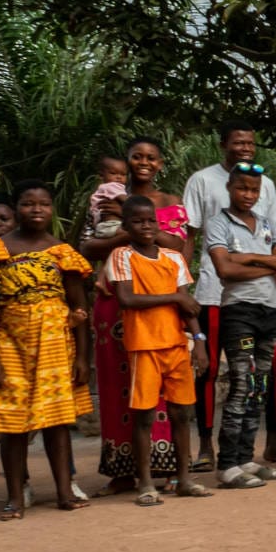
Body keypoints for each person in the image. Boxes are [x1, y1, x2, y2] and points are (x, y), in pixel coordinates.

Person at [81, 137, 191, 493]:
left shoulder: (173, 202)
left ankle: (173, 468)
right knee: (120, 389)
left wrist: (133, 217)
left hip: (163, 304)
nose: (144, 162)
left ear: (161, 163)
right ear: (126, 162)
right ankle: (124, 470)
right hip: (116, 303)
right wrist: (130, 230)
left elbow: (179, 249)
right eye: (136, 157)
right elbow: (87, 247)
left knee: (168, 395)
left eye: (151, 158)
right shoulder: (103, 199)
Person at [183, 119, 276, 470]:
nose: (245, 147)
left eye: (251, 143)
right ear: (223, 144)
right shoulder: (203, 182)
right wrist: (182, 282)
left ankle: (255, 452)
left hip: (265, 302)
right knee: (219, 372)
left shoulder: (267, 188)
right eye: (238, 142)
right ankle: (213, 451)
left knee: (263, 375)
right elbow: (201, 245)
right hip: (222, 299)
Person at [0, 181, 94, 517]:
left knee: (57, 422)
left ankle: (64, 492)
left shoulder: (63, 253)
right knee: (12, 423)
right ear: (16, 207)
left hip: (55, 346)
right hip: (9, 345)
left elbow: (80, 309)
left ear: (52, 208)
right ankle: (15, 497)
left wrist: (82, 357)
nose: (36, 210)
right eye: (28, 203)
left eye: (44, 204)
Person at [108, 196, 211, 503]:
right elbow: (127, 299)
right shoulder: (122, 256)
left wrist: (200, 342)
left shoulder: (173, 258)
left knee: (181, 413)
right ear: (126, 226)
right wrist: (174, 299)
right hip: (144, 346)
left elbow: (188, 306)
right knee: (145, 417)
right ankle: (145, 483)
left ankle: (184, 479)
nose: (146, 226)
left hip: (176, 344)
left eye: (151, 220)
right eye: (138, 221)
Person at [205, 163, 276, 488]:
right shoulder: (218, 224)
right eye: (242, 188)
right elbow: (225, 270)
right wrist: (269, 262)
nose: (248, 195)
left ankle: (247, 458)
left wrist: (248, 258)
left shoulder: (268, 223)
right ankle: (228, 465)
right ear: (230, 188)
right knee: (241, 384)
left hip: (268, 311)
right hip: (239, 313)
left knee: (259, 387)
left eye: (254, 190)